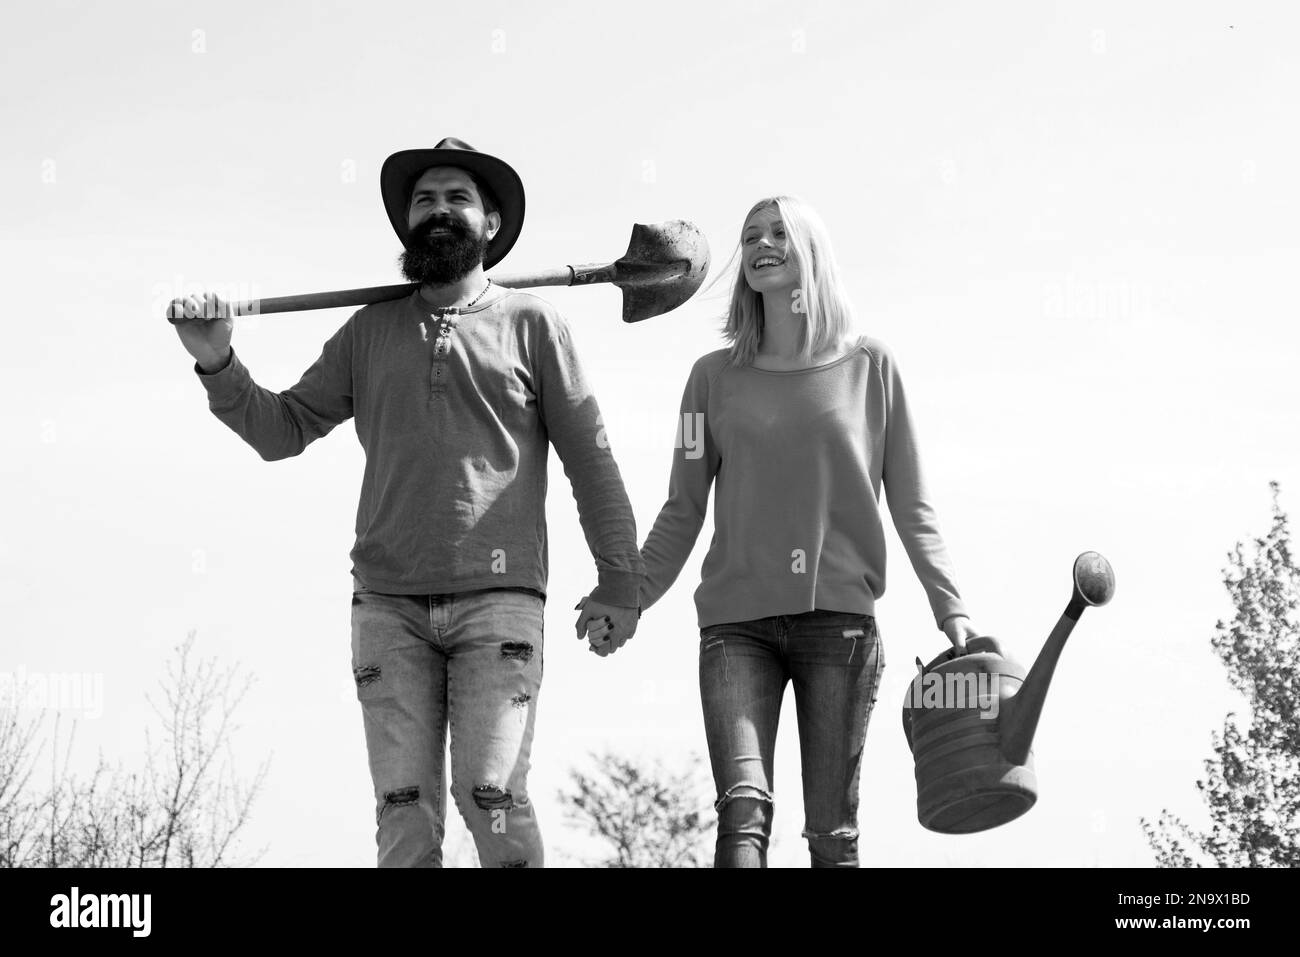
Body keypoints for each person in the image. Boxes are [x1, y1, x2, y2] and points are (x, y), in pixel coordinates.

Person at [172, 137, 643, 868]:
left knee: (491, 791)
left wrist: (621, 580)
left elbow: (592, 458)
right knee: (404, 817)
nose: (438, 210)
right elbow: (282, 430)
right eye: (423, 200)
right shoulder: (368, 331)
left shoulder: (533, 324)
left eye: (457, 197)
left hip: (501, 599)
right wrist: (216, 359)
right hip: (386, 607)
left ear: (489, 222)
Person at [626, 194, 979, 867]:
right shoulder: (709, 380)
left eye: (779, 232)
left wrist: (952, 611)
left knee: (833, 837)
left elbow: (911, 503)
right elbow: (682, 505)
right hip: (736, 629)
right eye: (751, 234)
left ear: (812, 251)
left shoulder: (872, 367)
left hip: (839, 628)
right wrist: (631, 593)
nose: (761, 243)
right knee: (743, 811)